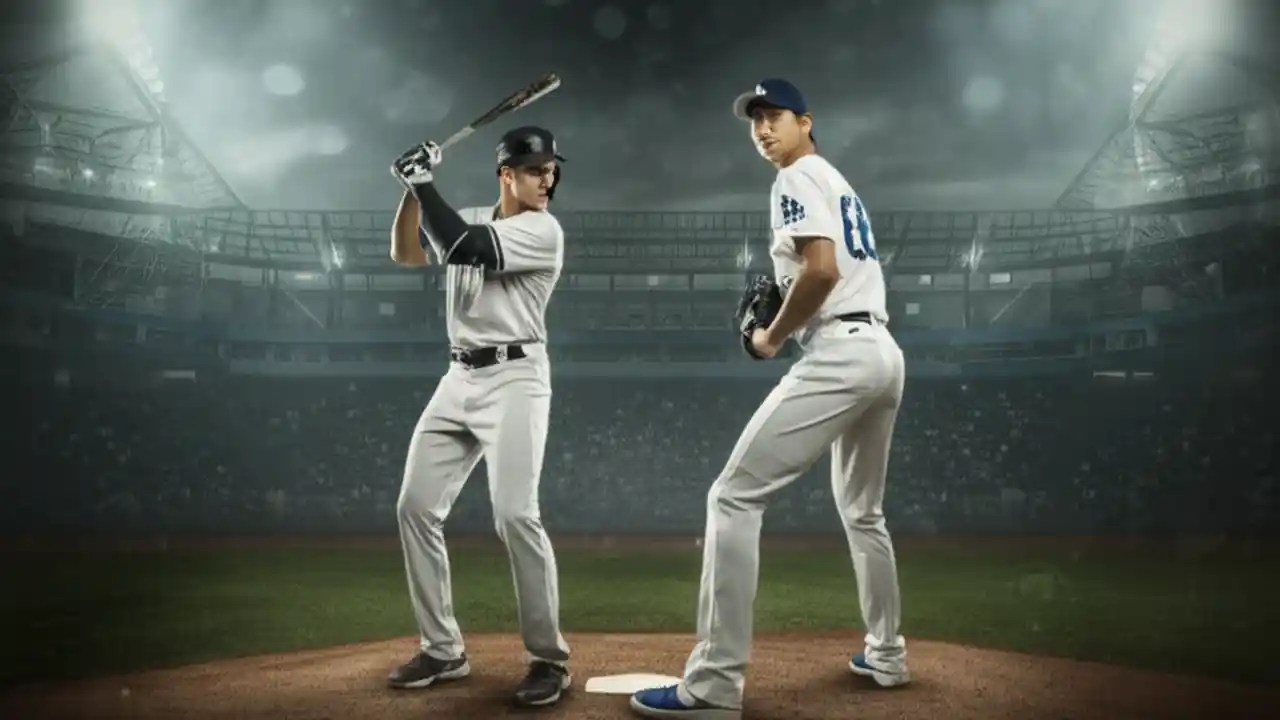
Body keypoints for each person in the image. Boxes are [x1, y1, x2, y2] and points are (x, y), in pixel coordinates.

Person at [630, 79, 910, 720]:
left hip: (840, 352)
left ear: (806, 121)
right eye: (754, 119)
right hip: (883, 354)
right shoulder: (836, 180)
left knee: (732, 497)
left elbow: (819, 270)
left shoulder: (794, 179)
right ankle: (887, 654)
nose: (762, 128)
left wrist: (768, 338)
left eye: (774, 116)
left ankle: (714, 685)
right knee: (864, 513)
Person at [385, 126, 572, 708]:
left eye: (551, 170)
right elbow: (407, 252)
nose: (548, 179)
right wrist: (410, 189)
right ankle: (443, 649)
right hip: (458, 377)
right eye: (535, 169)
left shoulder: (544, 229)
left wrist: (424, 182)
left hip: (517, 376)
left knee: (516, 515)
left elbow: (464, 247)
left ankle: (549, 659)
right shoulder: (464, 214)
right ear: (505, 175)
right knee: (415, 507)